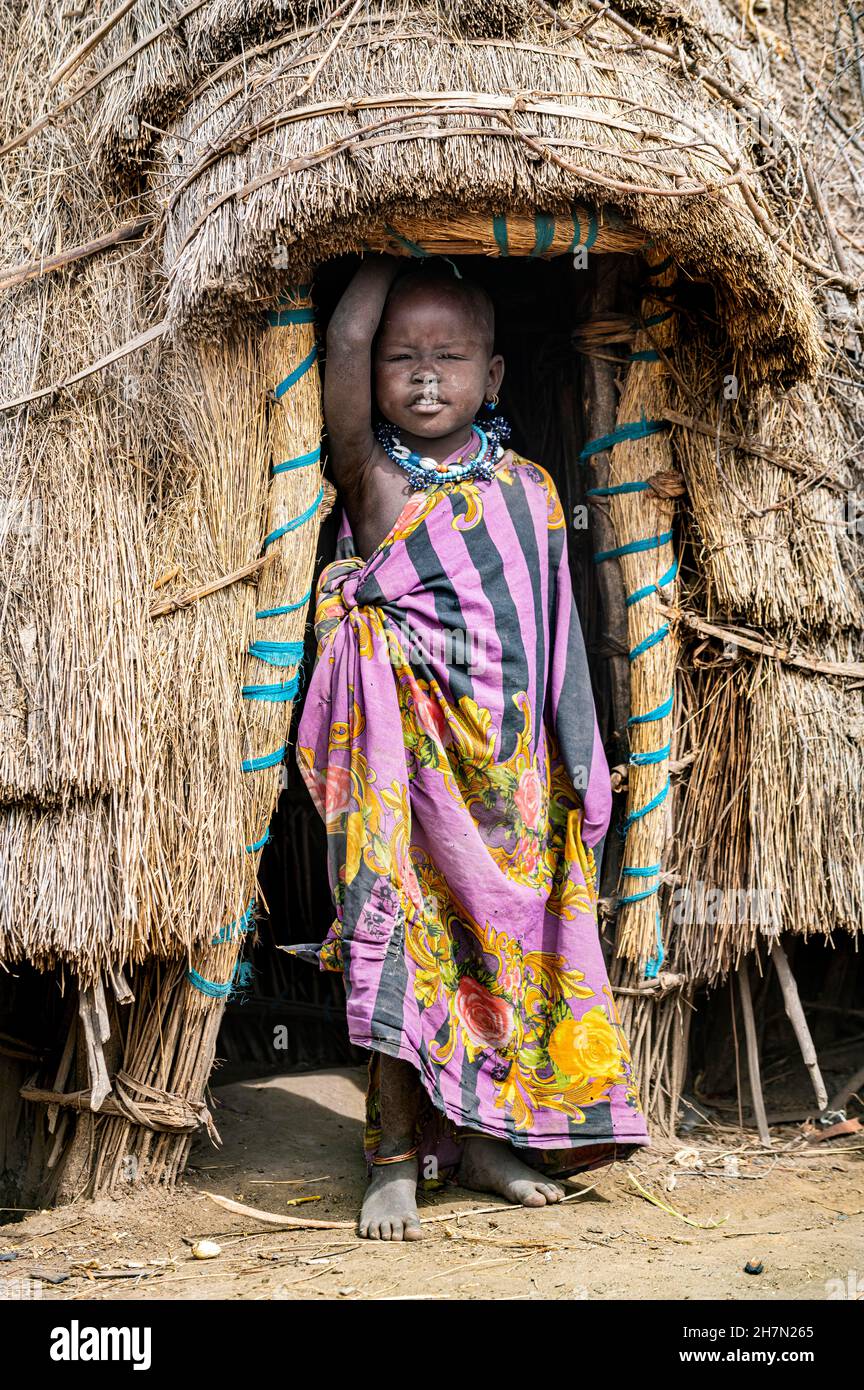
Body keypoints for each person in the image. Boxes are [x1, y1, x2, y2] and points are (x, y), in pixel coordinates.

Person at [296, 254, 649, 1242]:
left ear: (492, 374)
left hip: (514, 788)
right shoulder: (372, 481)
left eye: (448, 356)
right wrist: (384, 249)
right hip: (403, 782)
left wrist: (582, 747)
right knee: (401, 956)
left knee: (504, 968)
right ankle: (394, 1158)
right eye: (401, 357)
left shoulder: (533, 491)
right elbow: (347, 343)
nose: (421, 374)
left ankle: (490, 1139)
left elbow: (561, 628)